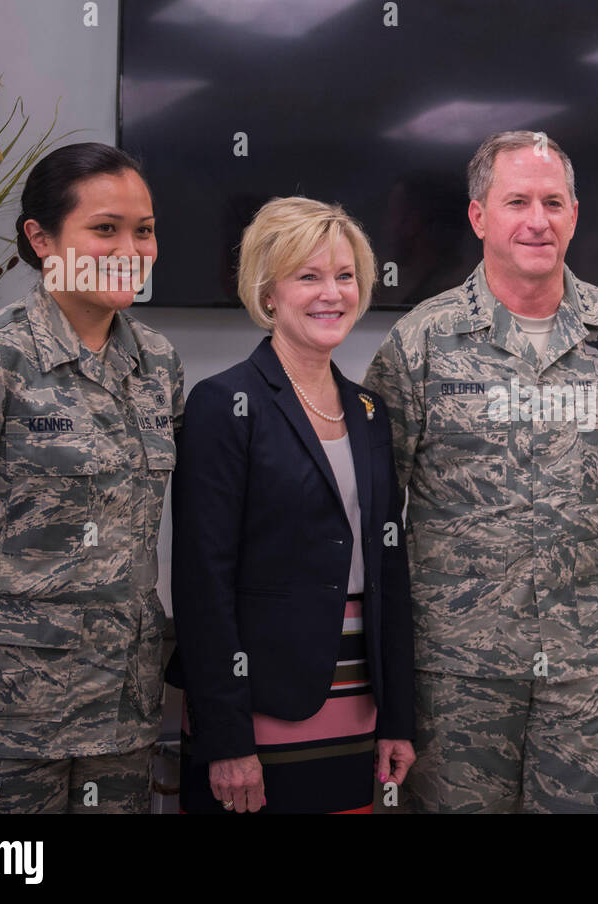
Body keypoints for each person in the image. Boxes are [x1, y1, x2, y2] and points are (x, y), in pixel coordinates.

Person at [365, 131, 598, 813]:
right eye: (517, 201)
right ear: (479, 216)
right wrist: (385, 660)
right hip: (456, 674)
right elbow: (377, 514)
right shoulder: (421, 343)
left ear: (575, 214)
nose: (537, 220)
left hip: (588, 670)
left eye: (553, 202)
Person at [0, 142, 180, 813]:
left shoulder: (158, 366)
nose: (132, 248)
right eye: (104, 229)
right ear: (42, 238)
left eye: (145, 230)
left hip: (121, 720)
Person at [166, 197, 415, 814]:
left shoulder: (369, 411)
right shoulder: (223, 404)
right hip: (260, 712)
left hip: (359, 707)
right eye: (308, 276)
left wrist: (398, 717)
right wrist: (226, 739)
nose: (332, 293)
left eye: (345, 275)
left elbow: (389, 570)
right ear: (267, 293)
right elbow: (203, 582)